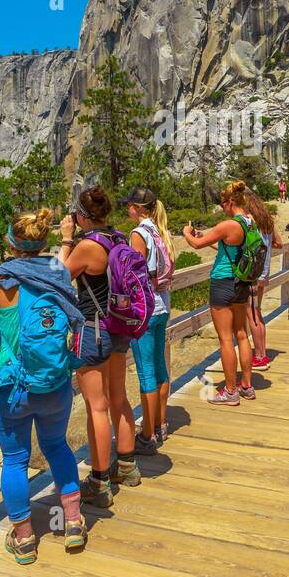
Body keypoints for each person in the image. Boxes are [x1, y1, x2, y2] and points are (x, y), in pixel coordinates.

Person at [0, 207, 86, 565]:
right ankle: (72, 523)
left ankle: (25, 538)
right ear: (41, 241)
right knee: (58, 448)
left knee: (15, 460)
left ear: (11, 244)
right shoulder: (58, 272)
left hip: (13, 387)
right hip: (54, 383)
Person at [58, 186, 140, 506]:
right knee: (118, 397)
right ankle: (128, 465)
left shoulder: (88, 245)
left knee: (97, 406)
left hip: (93, 330)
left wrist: (66, 238)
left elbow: (60, 277)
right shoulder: (118, 237)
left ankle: (100, 480)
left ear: (81, 215)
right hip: (119, 326)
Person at [183, 179, 256, 405]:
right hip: (241, 282)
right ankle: (246, 386)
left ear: (231, 202)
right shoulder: (249, 222)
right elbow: (226, 245)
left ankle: (231, 391)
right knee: (242, 334)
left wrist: (187, 232)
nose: (222, 207)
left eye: (223, 203)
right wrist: (203, 235)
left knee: (226, 339)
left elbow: (196, 245)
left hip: (223, 282)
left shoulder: (229, 224)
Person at [126, 185, 174, 449]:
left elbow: (135, 275)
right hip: (162, 304)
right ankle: (160, 424)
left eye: (130, 205)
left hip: (145, 308)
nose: (127, 208)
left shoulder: (138, 234)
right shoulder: (160, 230)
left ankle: (147, 436)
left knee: (145, 373)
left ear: (138, 208)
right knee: (158, 367)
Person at [244, 187, 282, 369]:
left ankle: (260, 356)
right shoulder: (267, 220)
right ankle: (262, 352)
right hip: (263, 271)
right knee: (257, 312)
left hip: (252, 273)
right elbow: (279, 243)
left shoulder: (250, 221)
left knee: (252, 314)